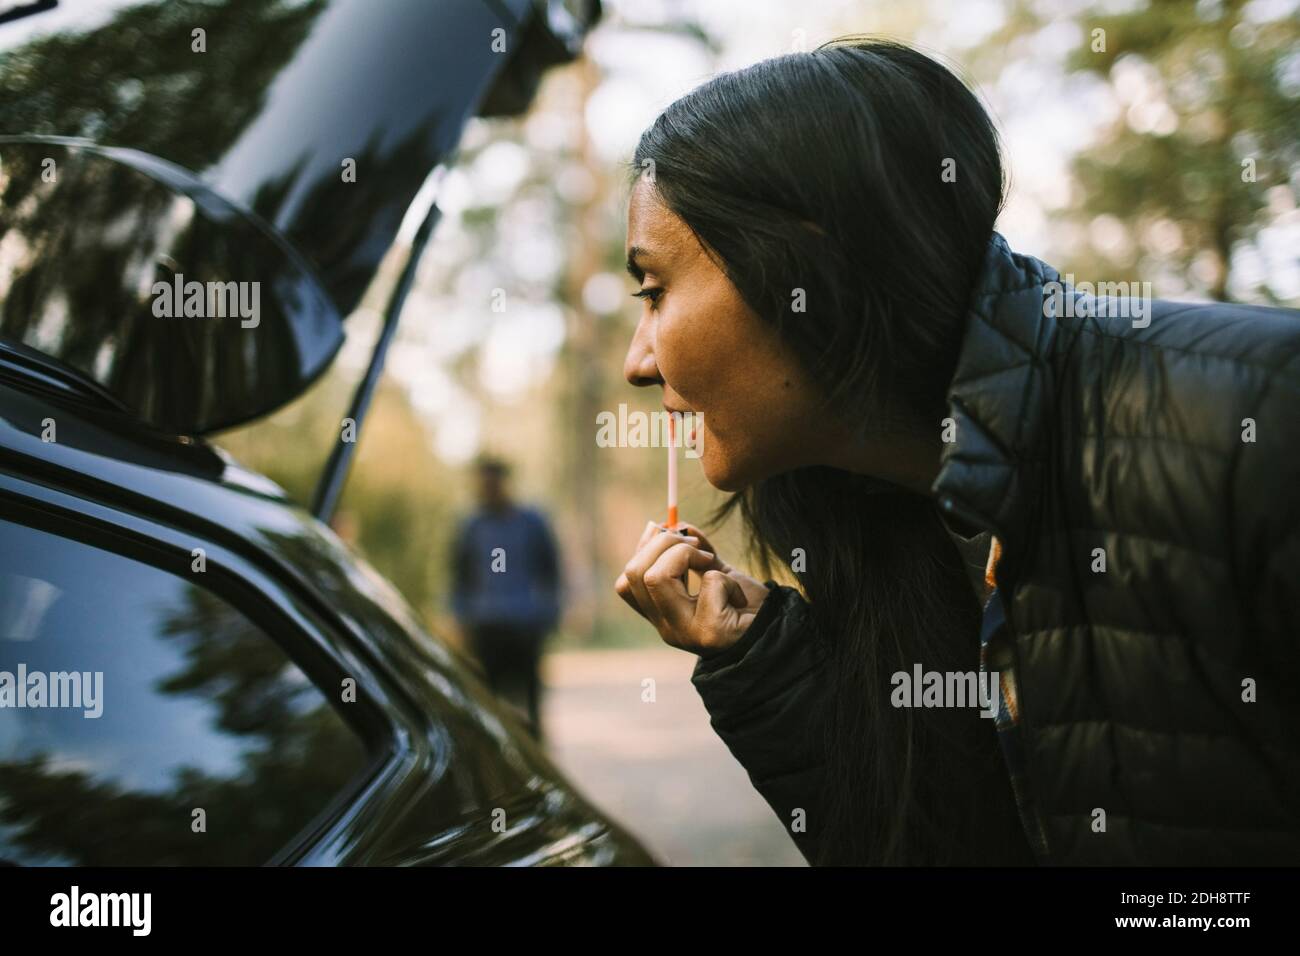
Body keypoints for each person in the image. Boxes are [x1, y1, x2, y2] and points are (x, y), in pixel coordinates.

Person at [613, 37, 1300, 866]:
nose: (638, 362)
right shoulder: (876, 514)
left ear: (807, 253)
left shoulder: (1257, 419)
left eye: (653, 293)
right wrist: (766, 669)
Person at [451, 456, 562, 741]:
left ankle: (536, 753)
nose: (488, 489)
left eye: (493, 482)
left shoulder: (531, 522)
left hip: (524, 625)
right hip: (486, 627)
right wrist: (462, 621)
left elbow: (551, 570)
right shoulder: (471, 527)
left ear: (505, 482)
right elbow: (459, 576)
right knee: (490, 703)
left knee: (531, 702)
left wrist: (549, 615)